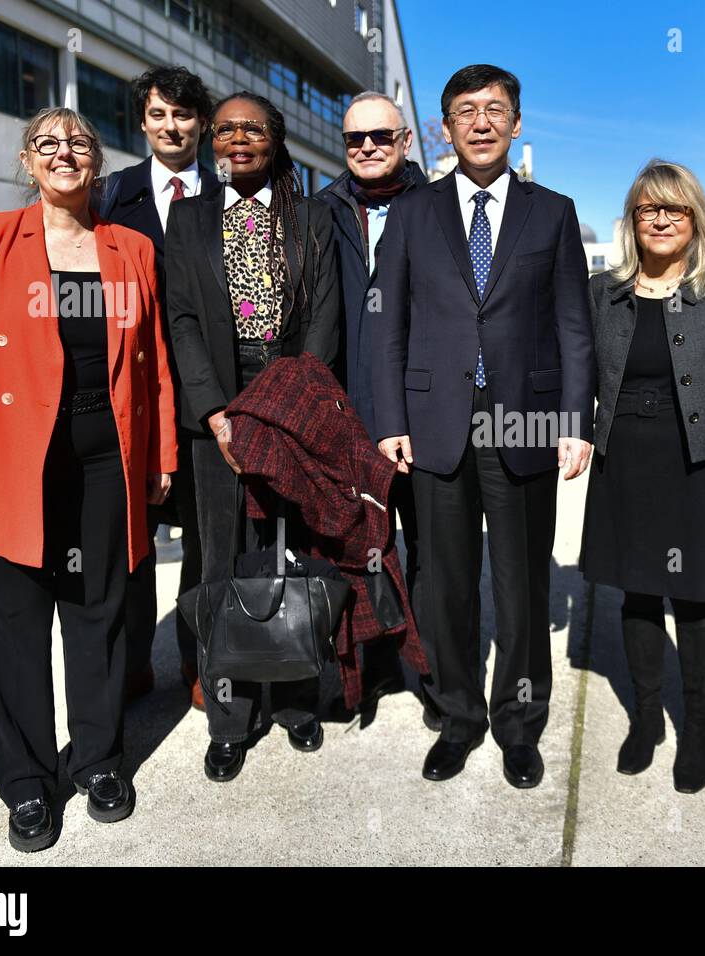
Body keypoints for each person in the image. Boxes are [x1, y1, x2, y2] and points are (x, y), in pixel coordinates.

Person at [0, 107, 177, 852]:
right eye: (49, 143)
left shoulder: (129, 247)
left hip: (104, 458)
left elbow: (152, 362)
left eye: (80, 143)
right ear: (28, 162)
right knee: (16, 626)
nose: (66, 153)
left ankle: (99, 762)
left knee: (99, 616)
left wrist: (159, 455)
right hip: (11, 461)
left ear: (97, 161)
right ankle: (28, 784)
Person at [371, 64, 595, 788]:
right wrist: (389, 420)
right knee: (446, 583)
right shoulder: (411, 213)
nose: (480, 122)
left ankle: (520, 724)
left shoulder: (552, 212)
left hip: (526, 423)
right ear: (444, 126)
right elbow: (387, 327)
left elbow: (573, 326)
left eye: (495, 109)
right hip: (434, 424)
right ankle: (459, 716)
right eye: (465, 110)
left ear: (517, 123)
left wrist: (575, 421)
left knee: (524, 583)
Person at [166, 91, 341, 783]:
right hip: (218, 418)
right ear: (213, 139)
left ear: (276, 139)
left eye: (255, 129)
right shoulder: (189, 218)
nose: (240, 139)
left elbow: (327, 316)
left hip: (295, 406)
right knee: (222, 563)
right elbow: (181, 318)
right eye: (228, 128)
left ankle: (298, 701)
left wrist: (293, 407)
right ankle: (230, 717)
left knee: (295, 553)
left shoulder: (314, 215)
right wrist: (215, 412)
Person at [581, 160, 705, 793]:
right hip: (623, 455)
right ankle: (646, 717)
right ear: (632, 220)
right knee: (638, 591)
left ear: (695, 220)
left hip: (692, 458)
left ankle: (698, 726)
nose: (660, 219)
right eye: (648, 209)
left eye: (674, 209)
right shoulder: (603, 292)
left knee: (694, 595)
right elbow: (582, 370)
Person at [99, 65, 218, 711]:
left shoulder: (229, 196)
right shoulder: (115, 194)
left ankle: (199, 663)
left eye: (184, 114)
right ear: (143, 123)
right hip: (135, 395)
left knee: (205, 540)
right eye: (159, 115)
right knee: (132, 540)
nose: (172, 127)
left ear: (201, 121)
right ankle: (136, 660)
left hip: (205, 398)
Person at [315, 91, 430, 723]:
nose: (366, 148)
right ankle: (365, 673)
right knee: (354, 547)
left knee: (430, 554)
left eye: (380, 137)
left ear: (406, 141)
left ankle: (436, 678)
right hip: (346, 410)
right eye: (355, 139)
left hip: (421, 412)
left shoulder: (439, 206)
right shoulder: (322, 209)